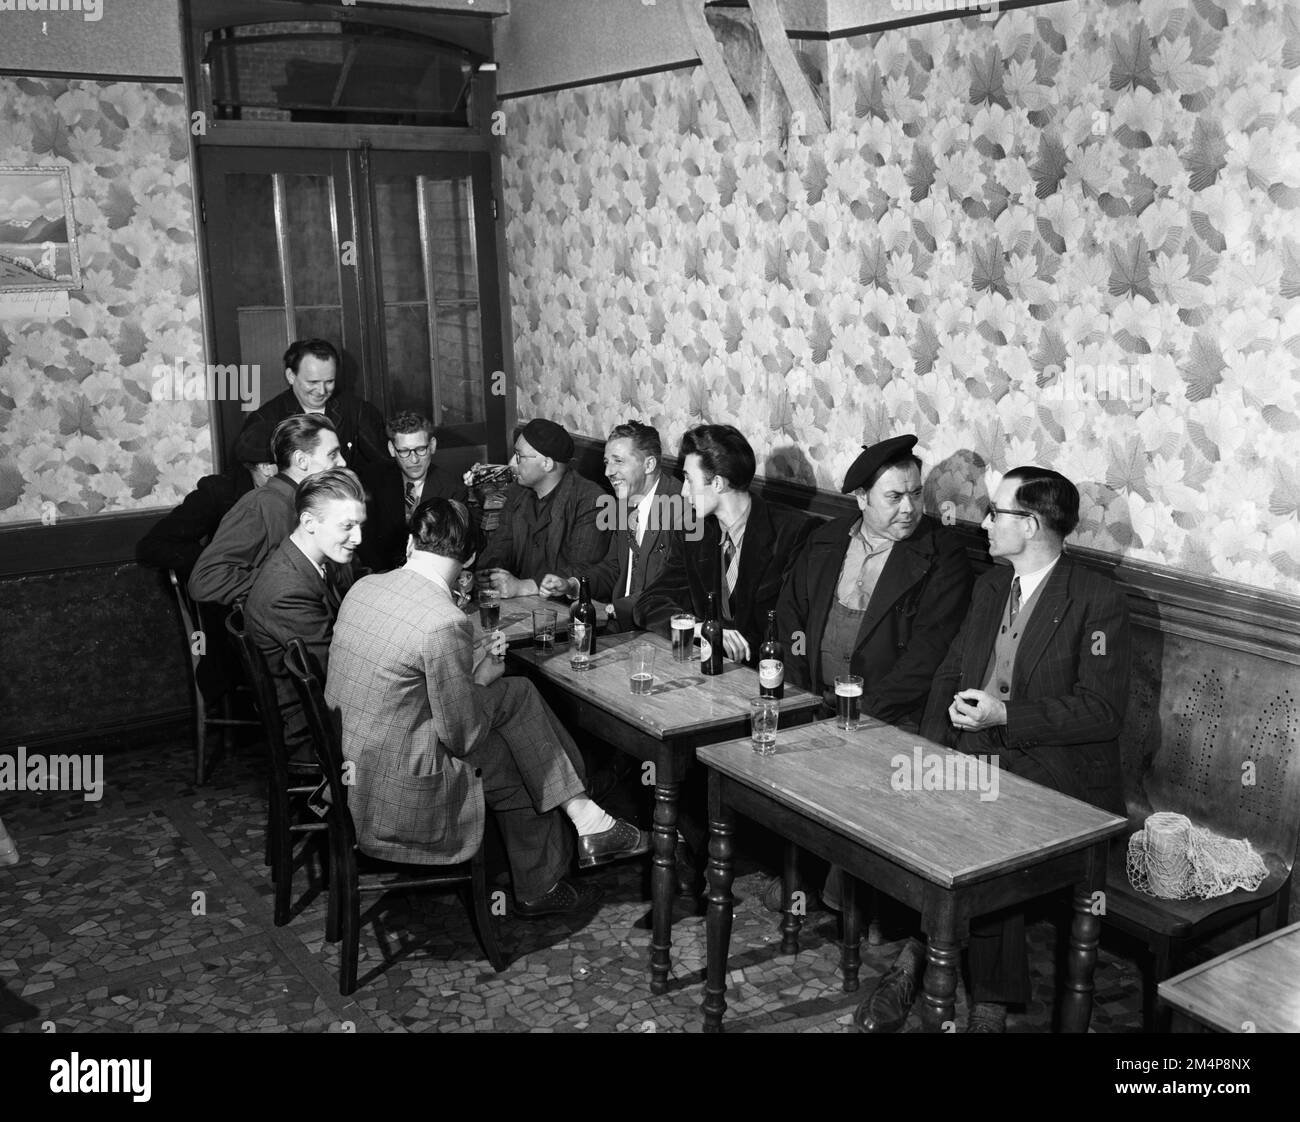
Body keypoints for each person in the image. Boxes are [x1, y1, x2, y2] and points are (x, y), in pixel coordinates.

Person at [853, 466, 1131, 1034]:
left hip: (1058, 766)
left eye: (996, 512)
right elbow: (950, 672)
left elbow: (1101, 712)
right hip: (979, 750)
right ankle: (924, 954)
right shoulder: (990, 584)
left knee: (988, 812)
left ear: (1029, 525)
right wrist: (929, 750)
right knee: (907, 789)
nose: (983, 522)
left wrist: (1007, 716)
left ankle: (983, 999)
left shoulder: (1095, 599)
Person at [326, 497, 652, 917]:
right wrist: (480, 676)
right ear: (471, 557)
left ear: (411, 543)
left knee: (516, 695)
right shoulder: (442, 621)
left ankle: (585, 816)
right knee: (519, 759)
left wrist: (475, 672)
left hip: (355, 760)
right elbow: (462, 735)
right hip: (399, 789)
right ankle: (556, 862)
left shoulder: (364, 587)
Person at [777, 434, 972, 726]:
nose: (909, 508)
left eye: (916, 494)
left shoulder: (944, 556)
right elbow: (793, 619)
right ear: (861, 497)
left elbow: (928, 653)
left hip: (889, 719)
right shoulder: (825, 539)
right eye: (894, 497)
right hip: (812, 702)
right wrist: (800, 688)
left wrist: (865, 711)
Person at [635, 423, 812, 666]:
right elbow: (649, 603)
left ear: (718, 483)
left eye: (688, 480)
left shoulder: (793, 533)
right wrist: (697, 628)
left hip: (766, 677)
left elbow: (796, 631)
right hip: (708, 671)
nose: (684, 492)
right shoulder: (692, 532)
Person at [244, 469, 363, 769]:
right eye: (347, 526)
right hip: (312, 732)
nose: (358, 538)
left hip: (322, 709)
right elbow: (335, 673)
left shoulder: (307, 560)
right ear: (309, 522)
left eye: (359, 525)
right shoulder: (287, 589)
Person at [539, 420, 683, 631]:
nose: (608, 471)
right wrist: (573, 585)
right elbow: (613, 568)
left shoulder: (681, 507)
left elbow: (670, 589)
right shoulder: (626, 501)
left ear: (649, 465)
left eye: (618, 461)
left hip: (660, 630)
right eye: (607, 462)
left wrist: (617, 609)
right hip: (620, 625)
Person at [188, 415, 344, 607]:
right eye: (333, 454)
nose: (343, 463)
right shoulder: (261, 505)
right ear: (301, 460)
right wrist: (289, 581)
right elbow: (206, 581)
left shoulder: (309, 503)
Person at [475, 418, 609, 598]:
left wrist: (524, 586)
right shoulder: (517, 491)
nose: (512, 463)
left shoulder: (592, 501)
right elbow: (500, 546)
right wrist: (490, 575)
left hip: (565, 608)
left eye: (519, 456)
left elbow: (583, 569)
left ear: (547, 463)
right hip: (518, 604)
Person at [137, 421, 276, 580]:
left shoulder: (297, 492)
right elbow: (153, 546)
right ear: (267, 467)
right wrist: (220, 563)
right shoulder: (221, 492)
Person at [238, 338, 387, 472]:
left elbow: (384, 467)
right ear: (291, 376)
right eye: (313, 382)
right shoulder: (265, 419)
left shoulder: (357, 410)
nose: (322, 391)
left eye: (329, 381)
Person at [357, 411, 470, 573]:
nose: (414, 460)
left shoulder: (453, 489)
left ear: (432, 446)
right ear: (391, 449)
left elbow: (454, 551)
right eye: (404, 451)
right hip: (381, 575)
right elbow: (365, 543)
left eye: (421, 449)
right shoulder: (372, 481)